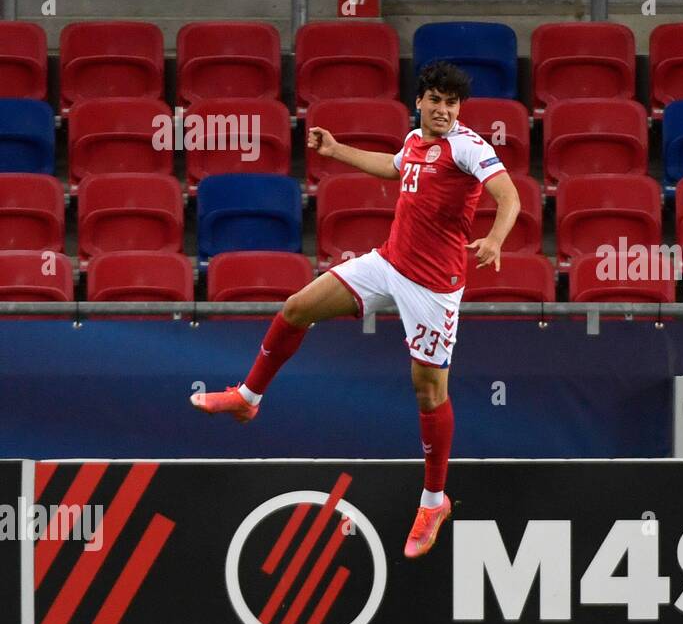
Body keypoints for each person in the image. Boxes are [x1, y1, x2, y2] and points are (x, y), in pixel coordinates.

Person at [191, 61, 521, 560]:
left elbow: (509, 194)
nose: (443, 111)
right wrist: (336, 150)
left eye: (452, 104)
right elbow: (393, 167)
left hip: (434, 286)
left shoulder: (469, 146)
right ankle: (248, 396)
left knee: (428, 390)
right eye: (436, 100)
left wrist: (495, 238)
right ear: (420, 101)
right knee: (298, 307)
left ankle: (434, 501)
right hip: (389, 263)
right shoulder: (415, 141)